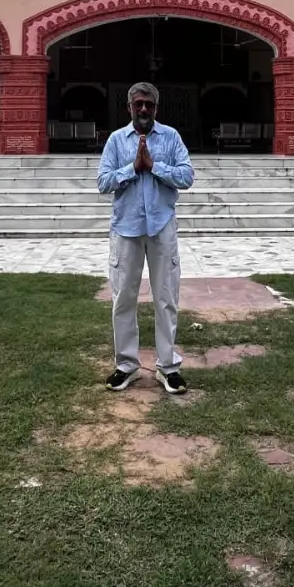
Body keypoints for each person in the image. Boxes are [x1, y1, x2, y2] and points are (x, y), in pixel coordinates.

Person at [97, 81, 194, 395]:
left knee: (166, 297)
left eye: (149, 105)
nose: (143, 110)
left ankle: (168, 367)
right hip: (126, 227)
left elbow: (187, 176)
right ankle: (126, 365)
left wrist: (154, 166)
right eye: (138, 104)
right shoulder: (116, 140)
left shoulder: (170, 138)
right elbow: (103, 182)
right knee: (124, 297)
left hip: (162, 226)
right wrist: (132, 167)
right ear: (129, 107)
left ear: (156, 107)